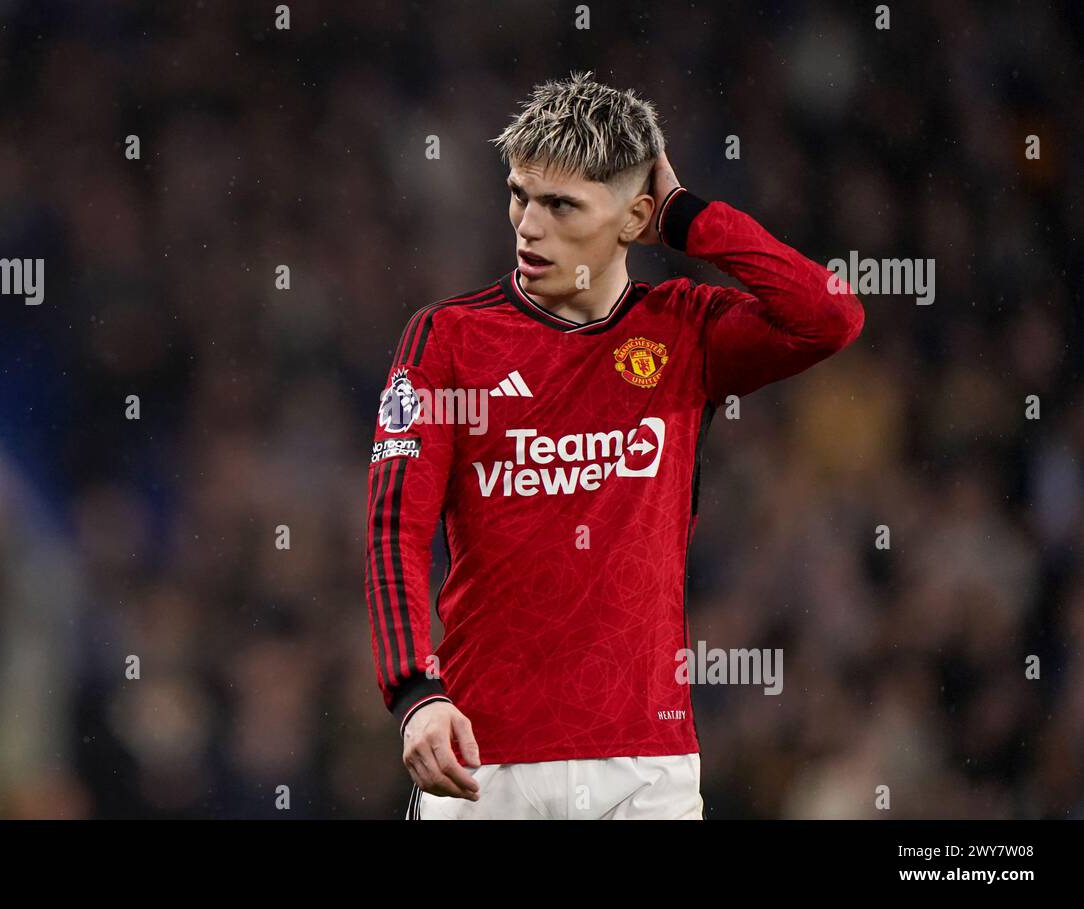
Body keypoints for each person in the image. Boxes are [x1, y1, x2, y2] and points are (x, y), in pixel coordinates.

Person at [364, 71, 864, 819]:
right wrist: (415, 692)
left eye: (561, 204)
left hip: (646, 763)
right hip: (484, 755)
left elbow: (830, 316)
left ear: (634, 217)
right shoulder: (448, 341)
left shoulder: (685, 330)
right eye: (519, 195)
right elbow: (393, 530)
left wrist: (691, 218)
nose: (528, 226)